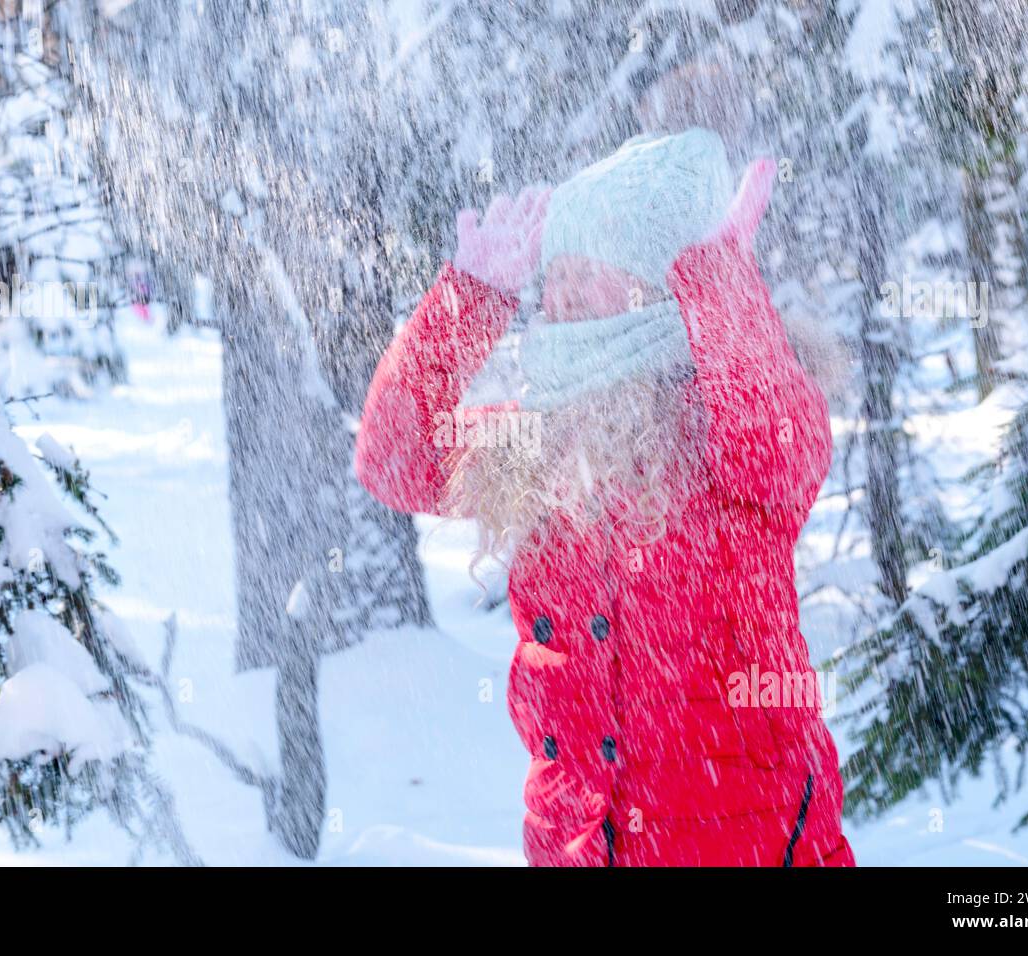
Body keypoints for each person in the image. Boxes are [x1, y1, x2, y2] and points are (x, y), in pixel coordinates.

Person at [355, 128, 855, 866]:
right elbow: (394, 458)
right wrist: (468, 301)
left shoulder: (724, 432)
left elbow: (774, 443)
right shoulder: (539, 444)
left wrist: (717, 281)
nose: (555, 292)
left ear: (660, 284)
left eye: (589, 270)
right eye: (553, 271)